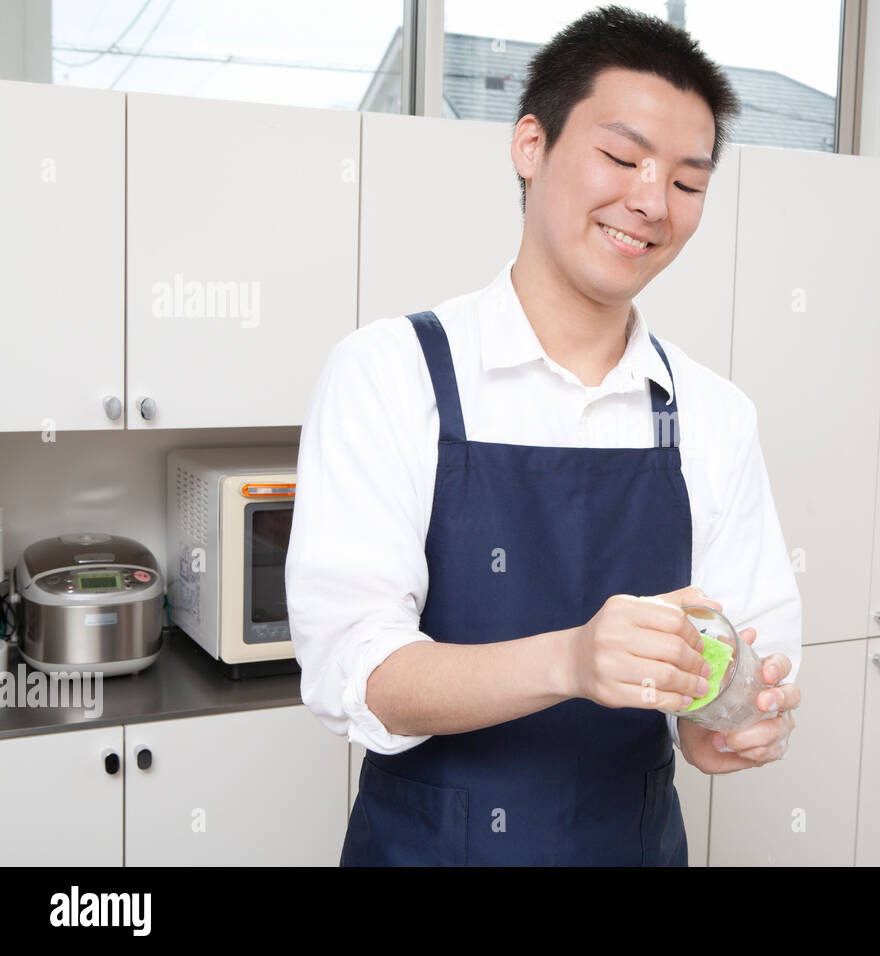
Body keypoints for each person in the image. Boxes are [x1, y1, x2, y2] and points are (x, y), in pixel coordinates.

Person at [285, 4, 802, 867]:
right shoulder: (391, 373)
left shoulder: (712, 415)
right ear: (531, 145)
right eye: (620, 156)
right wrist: (571, 660)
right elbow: (357, 675)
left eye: (686, 181)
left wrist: (729, 723)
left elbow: (748, 656)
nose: (650, 201)